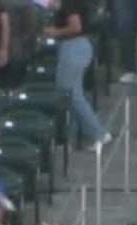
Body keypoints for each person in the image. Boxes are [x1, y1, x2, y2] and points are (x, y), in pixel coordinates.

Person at [46, 0, 110, 150]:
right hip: (76, 47)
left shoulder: (70, 2)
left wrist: (54, 32)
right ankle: (71, 140)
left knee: (71, 95)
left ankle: (99, 133)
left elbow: (76, 26)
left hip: (74, 47)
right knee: (72, 95)